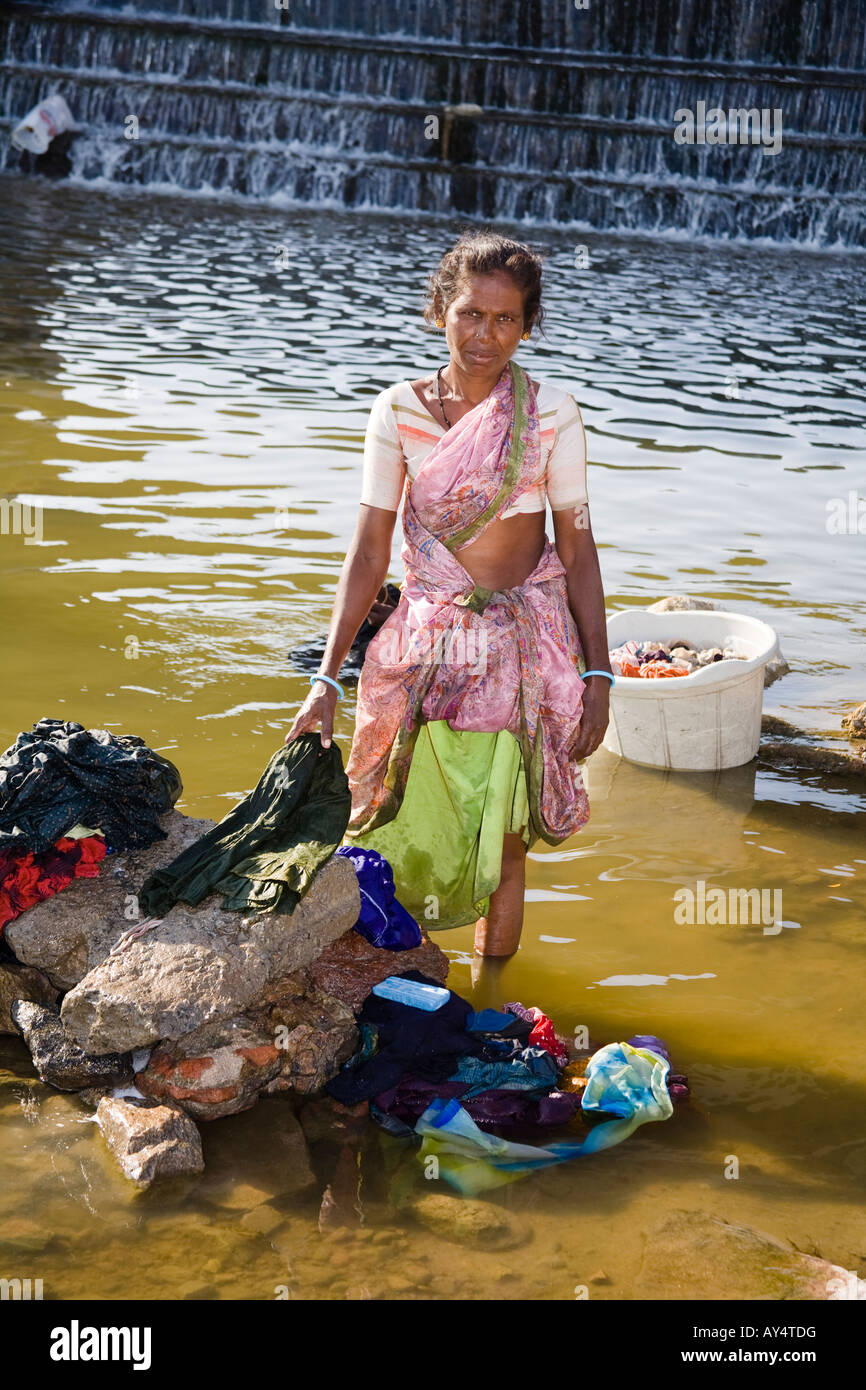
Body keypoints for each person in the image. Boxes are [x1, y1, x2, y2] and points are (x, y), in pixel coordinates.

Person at [286, 230, 612, 960]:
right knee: (396, 815)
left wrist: (599, 673)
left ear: (528, 327)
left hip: (527, 642)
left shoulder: (551, 415)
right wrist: (324, 678)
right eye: (470, 313)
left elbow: (579, 548)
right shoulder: (397, 411)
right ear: (439, 310)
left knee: (503, 839)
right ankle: (409, 977)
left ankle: (491, 1002)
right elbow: (370, 551)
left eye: (505, 319)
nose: (485, 335)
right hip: (426, 643)